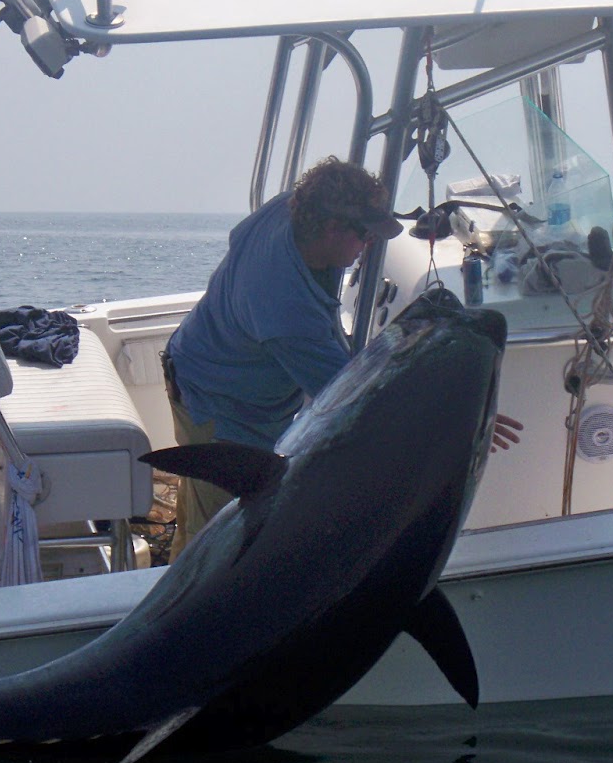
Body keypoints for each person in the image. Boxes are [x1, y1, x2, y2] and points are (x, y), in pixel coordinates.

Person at [162, 157, 521, 558]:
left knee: (201, 510)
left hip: (219, 371)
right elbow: (353, 403)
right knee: (220, 541)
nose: (371, 245)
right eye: (365, 235)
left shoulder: (291, 209)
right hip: (219, 407)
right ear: (332, 228)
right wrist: (462, 416)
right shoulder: (285, 310)